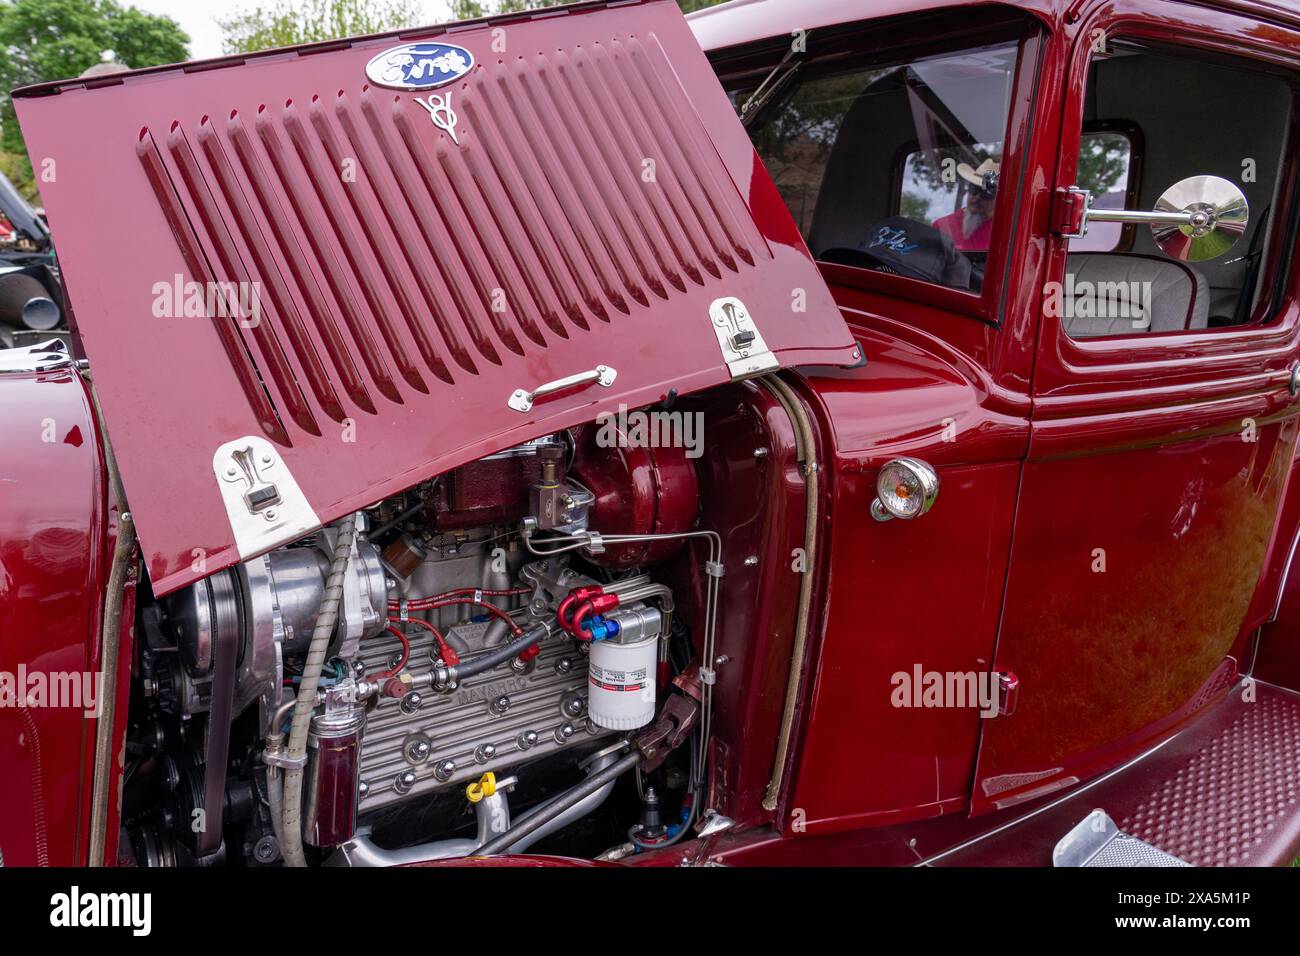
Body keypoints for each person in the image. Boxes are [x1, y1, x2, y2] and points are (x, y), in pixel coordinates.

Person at [931, 158, 999, 252]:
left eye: (986, 192)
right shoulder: (941, 227)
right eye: (974, 188)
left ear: (998, 197)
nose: (978, 197)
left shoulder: (1004, 233)